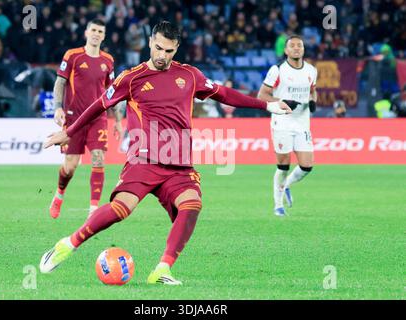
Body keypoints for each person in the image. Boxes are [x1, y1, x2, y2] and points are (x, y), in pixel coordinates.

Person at [39, 21, 291, 285]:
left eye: (169, 51)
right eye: (158, 48)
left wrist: (267, 105)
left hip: (179, 164)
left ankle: (162, 270)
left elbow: (223, 94)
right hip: (144, 160)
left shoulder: (190, 75)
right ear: (150, 42)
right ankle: (67, 244)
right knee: (121, 209)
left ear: (177, 48)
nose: (162, 56)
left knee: (192, 204)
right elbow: (98, 105)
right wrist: (70, 131)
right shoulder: (131, 77)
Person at [49, 19, 123, 219]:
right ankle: (59, 194)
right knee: (70, 166)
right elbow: (60, 82)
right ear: (86, 32)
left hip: (98, 118)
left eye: (100, 31)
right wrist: (57, 108)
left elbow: (112, 92)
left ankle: (93, 210)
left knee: (98, 158)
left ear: (104, 36)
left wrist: (117, 120)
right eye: (94, 30)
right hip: (74, 118)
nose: (96, 34)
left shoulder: (108, 60)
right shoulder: (72, 55)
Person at [258, 34, 318, 217]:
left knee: (307, 166)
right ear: (286, 50)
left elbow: (313, 92)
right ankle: (278, 206)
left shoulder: (311, 70)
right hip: (282, 121)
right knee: (283, 164)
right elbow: (262, 96)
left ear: (303, 49)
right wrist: (283, 101)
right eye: (292, 46)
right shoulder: (277, 70)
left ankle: (286, 187)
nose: (296, 48)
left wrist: (313, 101)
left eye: (299, 45)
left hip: (302, 123)